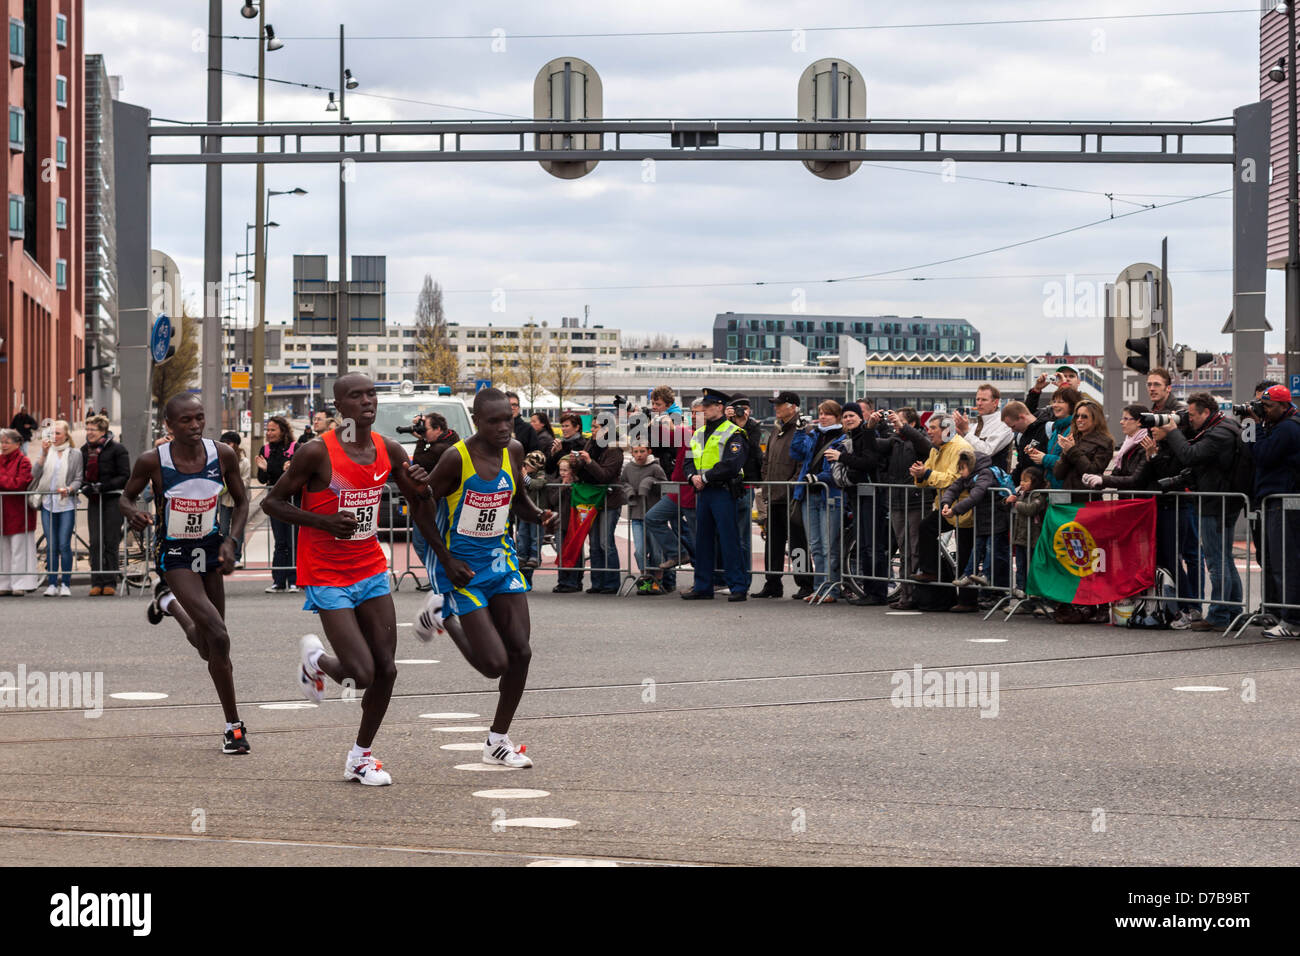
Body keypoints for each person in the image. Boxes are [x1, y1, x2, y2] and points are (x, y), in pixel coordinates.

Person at [263, 373, 443, 785]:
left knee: (388, 670)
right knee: (361, 673)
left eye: (371, 394)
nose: (367, 401)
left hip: (369, 567)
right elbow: (272, 502)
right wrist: (322, 521)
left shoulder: (388, 449)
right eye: (356, 396)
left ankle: (360, 757)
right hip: (326, 573)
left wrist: (425, 490)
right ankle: (317, 662)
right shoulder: (316, 452)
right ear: (339, 406)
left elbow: (420, 503)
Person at [417, 387, 558, 768]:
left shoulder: (513, 451)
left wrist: (539, 516)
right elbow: (422, 509)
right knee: (494, 664)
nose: (502, 428)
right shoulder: (454, 459)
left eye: (508, 420)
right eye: (493, 421)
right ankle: (442, 614)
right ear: (476, 421)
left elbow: (516, 500)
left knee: (521, 652)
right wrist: (445, 560)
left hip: (501, 561)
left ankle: (497, 740)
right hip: (462, 570)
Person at [119, 395, 252, 754]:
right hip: (175, 555)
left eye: (200, 418)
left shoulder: (222, 454)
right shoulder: (153, 461)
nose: (195, 426)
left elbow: (242, 502)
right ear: (169, 426)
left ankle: (168, 603)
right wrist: (133, 513)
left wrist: (232, 540)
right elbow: (126, 497)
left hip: (211, 551)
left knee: (209, 647)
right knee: (220, 636)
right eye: (186, 421)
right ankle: (234, 728)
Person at [1153, 392, 1247, 633]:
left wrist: (1172, 430)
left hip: (1216, 503)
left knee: (1216, 562)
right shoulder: (1225, 426)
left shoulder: (1219, 433)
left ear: (1206, 413)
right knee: (1224, 559)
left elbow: (1189, 455)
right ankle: (1233, 610)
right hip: (1221, 500)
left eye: (1193, 416)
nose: (1190, 420)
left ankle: (1218, 615)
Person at [681, 388, 749, 601]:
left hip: (722, 490)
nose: (704, 410)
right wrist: (692, 477)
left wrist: (706, 478)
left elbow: (732, 463)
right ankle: (702, 586)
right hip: (704, 492)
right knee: (702, 540)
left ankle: (738, 586)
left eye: (708, 406)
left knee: (729, 540)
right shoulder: (698, 433)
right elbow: (688, 460)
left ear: (720, 407)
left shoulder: (734, 432)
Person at [1246, 385, 1300, 639]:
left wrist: (1255, 425)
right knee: (1280, 562)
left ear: (1282, 405)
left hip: (1283, 502)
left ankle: (1292, 620)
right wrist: (1255, 425)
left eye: (1268, 407)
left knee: (1285, 563)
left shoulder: (1288, 428)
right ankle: (1286, 615)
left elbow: (1263, 455)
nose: (1264, 411)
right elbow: (1257, 454)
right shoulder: (1282, 425)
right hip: (1278, 501)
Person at [910, 416, 975, 611]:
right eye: (929, 428)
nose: (929, 431)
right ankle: (932, 571)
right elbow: (929, 473)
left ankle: (968, 601)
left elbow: (954, 479)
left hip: (964, 508)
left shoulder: (960, 448)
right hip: (946, 506)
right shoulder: (935, 448)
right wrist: (919, 475)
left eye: (933, 428)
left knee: (965, 554)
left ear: (947, 429)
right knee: (926, 527)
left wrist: (926, 474)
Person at [830, 401, 890, 606]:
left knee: (873, 545)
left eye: (852, 416)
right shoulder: (850, 437)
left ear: (861, 417)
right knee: (864, 545)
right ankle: (869, 590)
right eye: (845, 416)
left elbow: (868, 462)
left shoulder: (867, 435)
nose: (848, 419)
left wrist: (842, 457)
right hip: (857, 494)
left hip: (872, 493)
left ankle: (878, 592)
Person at [754, 391, 812, 600]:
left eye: (781, 404)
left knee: (798, 543)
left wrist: (792, 484)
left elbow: (802, 462)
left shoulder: (802, 429)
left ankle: (805, 583)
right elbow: (767, 460)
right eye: (775, 404)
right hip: (775, 494)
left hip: (791, 496)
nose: (776, 408)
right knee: (773, 542)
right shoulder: (776, 430)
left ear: (793, 406)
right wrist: (766, 481)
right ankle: (772, 583)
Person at [789, 400, 848, 603]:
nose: (823, 417)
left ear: (837, 417)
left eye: (828, 414)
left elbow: (840, 471)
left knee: (829, 545)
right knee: (815, 545)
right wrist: (799, 431)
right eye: (821, 413)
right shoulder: (814, 435)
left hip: (830, 495)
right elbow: (796, 452)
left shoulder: (843, 438)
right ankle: (819, 588)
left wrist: (820, 478)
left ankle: (832, 589)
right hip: (809, 494)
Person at [875, 407, 931, 610]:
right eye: (893, 421)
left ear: (912, 424)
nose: (895, 425)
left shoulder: (920, 439)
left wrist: (904, 428)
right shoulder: (895, 441)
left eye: (898, 421)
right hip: (897, 501)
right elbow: (873, 446)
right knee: (904, 548)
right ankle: (906, 595)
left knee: (915, 549)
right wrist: (872, 426)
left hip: (916, 501)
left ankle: (915, 595)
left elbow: (926, 446)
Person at [642, 399, 699, 595]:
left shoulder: (688, 433)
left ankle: (703, 580)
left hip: (691, 490)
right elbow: (653, 444)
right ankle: (677, 553)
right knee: (652, 517)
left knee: (696, 537)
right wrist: (646, 420)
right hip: (677, 490)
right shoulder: (683, 433)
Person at [943, 448, 1011, 603]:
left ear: (970, 465)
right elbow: (953, 489)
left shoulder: (985, 473)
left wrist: (955, 510)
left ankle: (986, 576)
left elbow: (976, 495)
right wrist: (946, 503)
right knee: (978, 548)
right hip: (983, 520)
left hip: (997, 518)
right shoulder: (970, 475)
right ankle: (969, 574)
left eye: (962, 468)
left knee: (991, 549)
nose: (960, 472)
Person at [29, 420, 82, 596]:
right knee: (51, 545)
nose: (54, 437)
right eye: (52, 433)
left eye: (58, 433)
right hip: (47, 503)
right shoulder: (47, 452)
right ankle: (52, 583)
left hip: (66, 504)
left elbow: (78, 478)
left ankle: (65, 584)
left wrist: (69, 489)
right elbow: (34, 474)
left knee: (64, 544)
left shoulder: (74, 454)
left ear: (66, 435)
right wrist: (43, 454)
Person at [80, 414, 131, 596]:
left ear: (102, 430)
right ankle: (96, 581)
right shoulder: (84, 450)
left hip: (112, 499)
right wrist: (85, 487)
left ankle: (110, 581)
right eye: (87, 429)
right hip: (94, 501)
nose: (89, 433)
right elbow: (81, 476)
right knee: (95, 542)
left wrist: (104, 486)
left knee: (110, 540)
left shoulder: (117, 449)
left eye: (92, 429)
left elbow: (125, 476)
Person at [409, 411, 460, 576]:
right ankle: (442, 574)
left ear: (438, 429)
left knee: (421, 541)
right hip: (439, 499)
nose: (424, 432)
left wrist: (420, 439)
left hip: (435, 500)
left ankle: (441, 575)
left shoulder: (442, 448)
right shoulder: (451, 440)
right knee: (437, 541)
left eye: (426, 429)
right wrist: (424, 436)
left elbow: (419, 461)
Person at [256, 416, 299, 593]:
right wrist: (266, 470)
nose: (269, 433)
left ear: (282, 430)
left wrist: (272, 469)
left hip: (293, 500)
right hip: (274, 501)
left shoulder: (295, 448)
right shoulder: (265, 450)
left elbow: (294, 475)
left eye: (273, 430)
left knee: (293, 540)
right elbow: (262, 479)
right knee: (280, 540)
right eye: (268, 430)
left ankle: (295, 580)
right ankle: (278, 581)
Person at [621, 443, 666, 588]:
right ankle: (645, 578)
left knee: (656, 551)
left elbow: (665, 484)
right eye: (636, 452)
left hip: (654, 516)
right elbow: (623, 482)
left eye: (642, 451)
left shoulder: (655, 467)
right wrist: (628, 490)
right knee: (640, 550)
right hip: (637, 515)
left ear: (649, 452)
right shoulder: (628, 468)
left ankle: (658, 582)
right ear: (632, 453)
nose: (639, 454)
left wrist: (651, 482)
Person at [0, 429, 39, 595]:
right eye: (2, 442)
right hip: (3, 512)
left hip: (19, 512)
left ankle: (20, 583)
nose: (3, 445)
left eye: (7, 442)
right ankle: (4, 583)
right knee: (3, 550)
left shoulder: (24, 461)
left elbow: (19, 484)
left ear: (17, 444)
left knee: (19, 549)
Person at [1004, 466, 1048, 602]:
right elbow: (1005, 506)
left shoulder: (1038, 495)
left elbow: (1031, 509)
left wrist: (1016, 504)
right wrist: (1007, 501)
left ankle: (1034, 593)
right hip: (1020, 536)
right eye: (1021, 480)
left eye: (1025, 481)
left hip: (1033, 537)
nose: (1022, 483)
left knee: (1032, 566)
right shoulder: (1021, 494)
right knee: (1020, 565)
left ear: (1034, 482)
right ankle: (1020, 590)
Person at [517, 450, 550, 581]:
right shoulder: (523, 476)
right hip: (525, 513)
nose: (525, 467)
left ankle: (535, 556)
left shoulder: (540, 474)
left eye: (528, 465)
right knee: (522, 535)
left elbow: (537, 484)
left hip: (537, 514)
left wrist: (525, 477)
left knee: (535, 536)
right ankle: (522, 556)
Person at [1001, 401, 1050, 486]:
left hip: (1048, 488)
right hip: (1030, 490)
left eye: (1013, 426)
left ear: (1022, 417)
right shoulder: (1020, 437)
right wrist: (1007, 485)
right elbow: (1021, 466)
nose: (1012, 430)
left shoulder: (1048, 429)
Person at [217, 431, 249, 539]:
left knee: (238, 531)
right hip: (225, 501)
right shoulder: (219, 460)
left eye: (228, 443)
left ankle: (236, 555)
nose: (226, 446)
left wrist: (231, 484)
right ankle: (224, 553)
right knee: (224, 529)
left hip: (239, 502)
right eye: (223, 443)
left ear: (235, 444)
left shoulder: (244, 462)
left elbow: (246, 482)